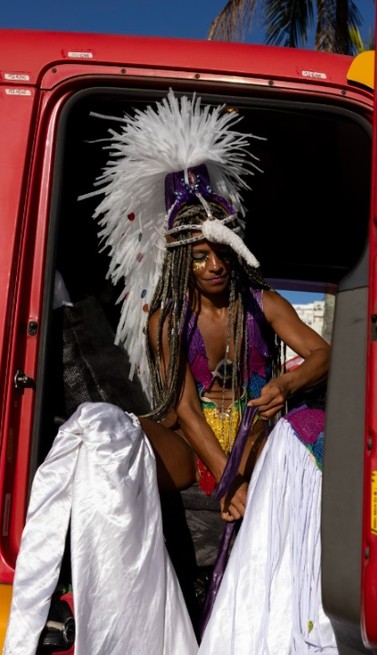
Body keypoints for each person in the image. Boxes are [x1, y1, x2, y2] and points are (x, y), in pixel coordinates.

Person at [82, 91, 333, 649]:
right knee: (109, 435)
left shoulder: (263, 301)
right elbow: (185, 411)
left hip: (257, 431)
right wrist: (227, 479)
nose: (214, 264)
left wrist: (288, 382)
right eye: (198, 255)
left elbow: (324, 352)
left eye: (220, 250)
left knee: (303, 430)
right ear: (180, 259)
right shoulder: (164, 320)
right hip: (194, 441)